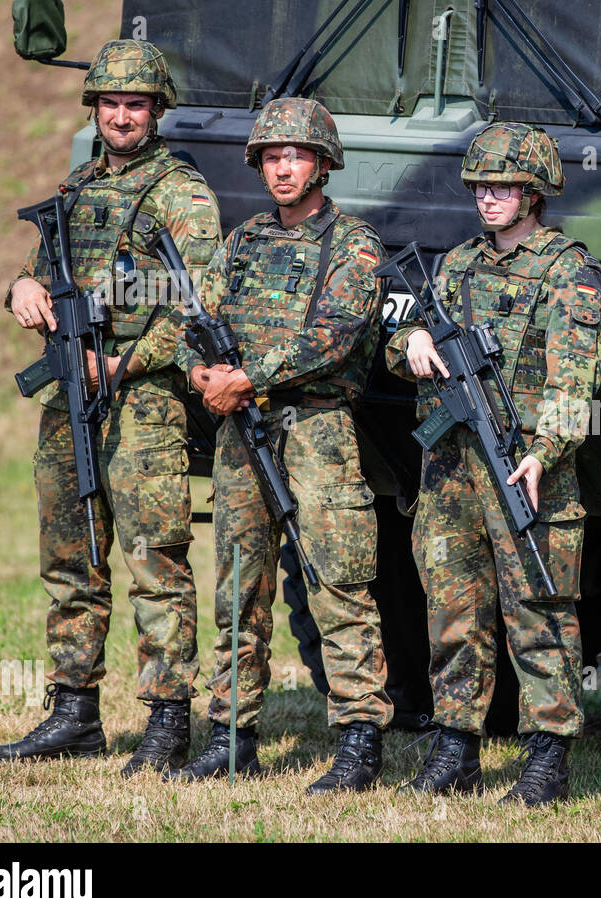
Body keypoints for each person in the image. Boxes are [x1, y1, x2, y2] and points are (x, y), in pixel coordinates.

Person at [0, 39, 221, 777]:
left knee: (155, 560)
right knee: (71, 556)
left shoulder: (181, 194)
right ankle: (74, 712)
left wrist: (124, 362)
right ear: (94, 108)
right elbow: (38, 275)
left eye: (136, 104)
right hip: (69, 395)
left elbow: (201, 302)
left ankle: (165, 720)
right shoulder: (76, 187)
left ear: (156, 111)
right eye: (111, 103)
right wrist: (19, 291)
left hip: (143, 400)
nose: (122, 116)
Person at [166, 98, 393, 794]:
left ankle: (359, 740)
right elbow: (189, 322)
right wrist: (200, 372)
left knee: (337, 583)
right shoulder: (241, 243)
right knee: (240, 587)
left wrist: (246, 378)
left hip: (315, 432)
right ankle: (232, 736)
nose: (284, 167)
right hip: (242, 435)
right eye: (272, 155)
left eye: (296, 155)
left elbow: (334, 336)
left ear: (323, 162)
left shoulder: (352, 245)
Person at [385, 123, 601, 806]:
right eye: (480, 186)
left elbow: (576, 384)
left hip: (522, 469)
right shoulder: (455, 266)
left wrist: (543, 453)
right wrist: (414, 337)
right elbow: (396, 343)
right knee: (454, 613)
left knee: (539, 612)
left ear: (534, 191)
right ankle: (456, 747)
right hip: (451, 475)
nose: (488, 197)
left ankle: (547, 757)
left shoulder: (569, 270)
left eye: (503, 186)